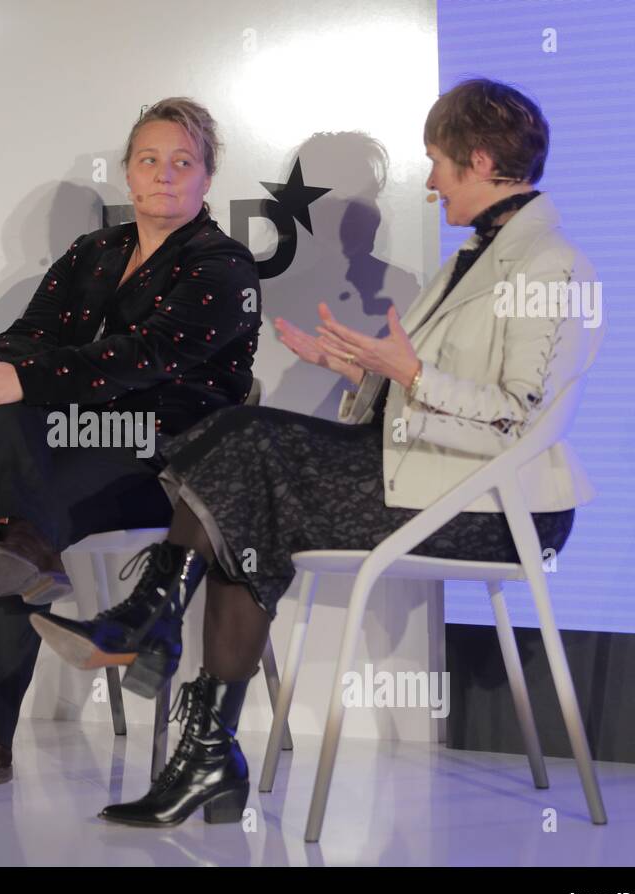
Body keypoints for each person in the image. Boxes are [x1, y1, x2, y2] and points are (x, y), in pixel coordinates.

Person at [31, 78, 605, 827]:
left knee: (241, 442)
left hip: (499, 511)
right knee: (249, 509)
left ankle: (151, 625)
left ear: (481, 159)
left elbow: (518, 424)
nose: (429, 183)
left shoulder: (551, 265)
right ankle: (205, 747)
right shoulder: (478, 255)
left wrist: (408, 373)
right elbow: (431, 394)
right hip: (434, 478)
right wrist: (364, 372)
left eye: (438, 163)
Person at [0, 97, 262, 793]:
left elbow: (147, 357)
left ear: (207, 179)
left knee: (5, 524)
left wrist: (23, 377)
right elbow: (32, 332)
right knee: (0, 442)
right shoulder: (94, 252)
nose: (164, 175)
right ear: (128, 174)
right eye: (149, 160)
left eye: (182, 162)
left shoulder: (224, 265)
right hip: (84, 448)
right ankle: (24, 558)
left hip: (170, 464)